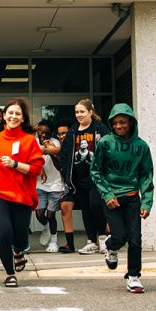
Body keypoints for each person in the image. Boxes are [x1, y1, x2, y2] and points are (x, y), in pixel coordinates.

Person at [0, 99, 44, 287]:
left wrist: (15, 164)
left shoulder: (29, 141)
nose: (13, 116)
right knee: (3, 233)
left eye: (18, 114)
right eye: (10, 113)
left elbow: (36, 168)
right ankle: (10, 273)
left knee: (20, 236)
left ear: (23, 119)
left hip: (22, 194)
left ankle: (19, 251)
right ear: (4, 116)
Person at [90, 103, 154, 294]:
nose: (119, 126)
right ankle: (111, 246)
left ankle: (134, 276)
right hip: (111, 197)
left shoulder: (141, 146)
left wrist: (146, 201)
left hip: (132, 197)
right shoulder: (105, 143)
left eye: (123, 122)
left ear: (131, 123)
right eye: (115, 123)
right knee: (120, 236)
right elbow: (96, 170)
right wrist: (107, 194)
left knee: (135, 238)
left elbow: (146, 175)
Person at [58, 99, 111, 253]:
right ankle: (91, 242)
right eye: (77, 112)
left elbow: (110, 147)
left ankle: (103, 239)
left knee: (96, 206)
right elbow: (65, 153)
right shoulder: (73, 130)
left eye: (82, 111)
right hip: (78, 180)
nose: (79, 115)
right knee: (86, 210)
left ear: (90, 112)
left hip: (97, 178)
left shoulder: (99, 128)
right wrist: (65, 171)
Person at [33, 119, 66, 253]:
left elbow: (59, 166)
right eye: (40, 132)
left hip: (55, 185)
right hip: (40, 184)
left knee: (51, 214)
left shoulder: (55, 143)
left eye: (46, 133)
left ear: (51, 133)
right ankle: (46, 227)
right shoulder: (33, 143)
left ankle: (53, 241)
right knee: (40, 214)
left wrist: (49, 151)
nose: (42, 135)